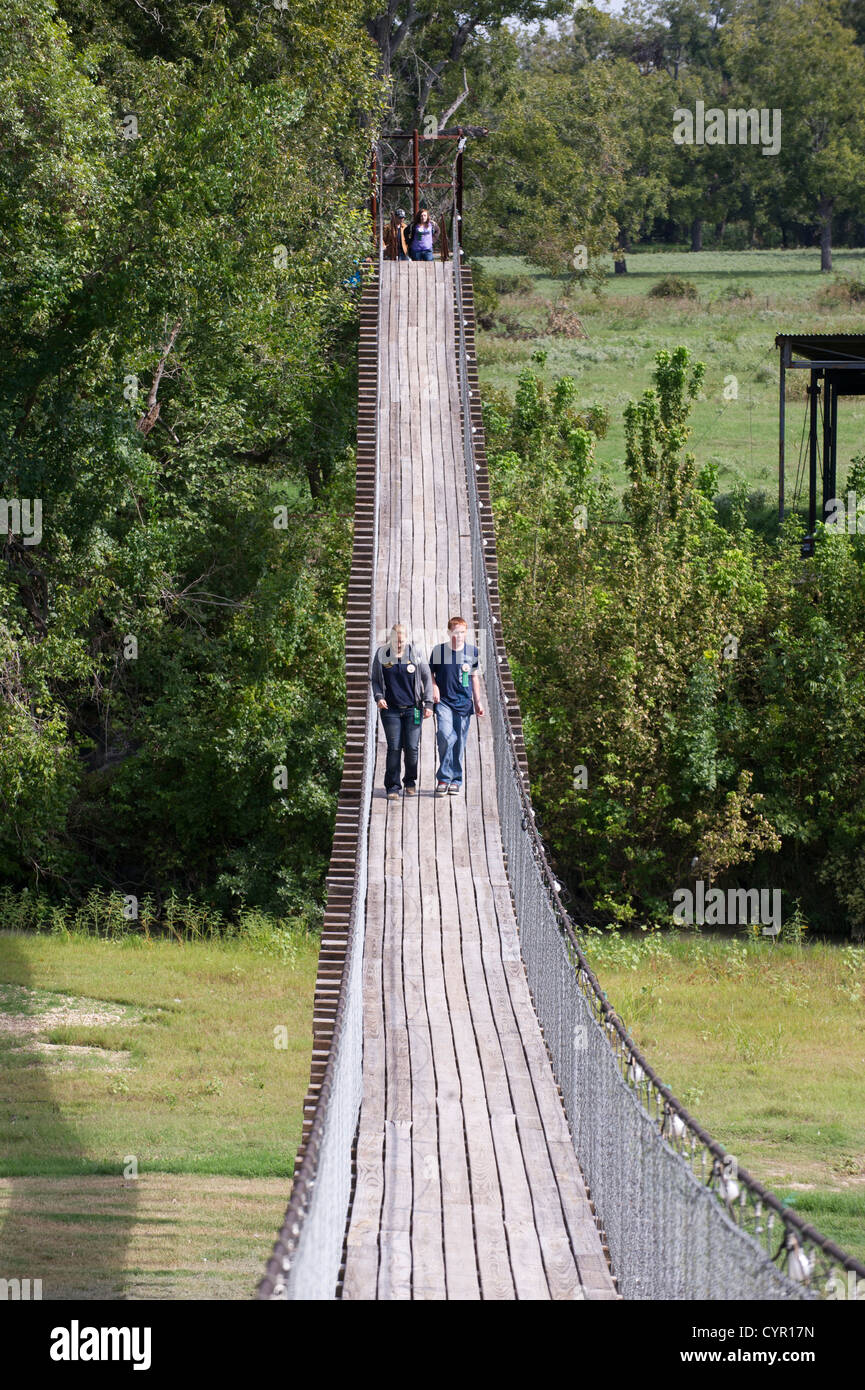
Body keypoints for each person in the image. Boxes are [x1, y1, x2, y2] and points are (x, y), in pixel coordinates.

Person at [370, 623, 433, 800]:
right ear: (390, 639)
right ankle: (393, 786)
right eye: (396, 641)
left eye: (402, 641)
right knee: (394, 747)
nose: (399, 645)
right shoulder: (382, 654)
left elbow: (427, 679)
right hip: (390, 709)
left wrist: (428, 704)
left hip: (413, 709)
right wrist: (378, 696)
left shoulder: (416, 653)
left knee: (412, 748)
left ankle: (410, 781)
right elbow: (374, 679)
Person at [429, 616, 484, 797]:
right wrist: (434, 687)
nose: (459, 636)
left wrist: (478, 701)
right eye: (455, 632)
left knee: (459, 741)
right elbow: (430, 673)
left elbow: (474, 677)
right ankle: (444, 777)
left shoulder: (472, 652)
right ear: (448, 632)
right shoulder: (439, 651)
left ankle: (455, 780)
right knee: (445, 735)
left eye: (462, 632)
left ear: (465, 633)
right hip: (444, 701)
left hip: (464, 702)